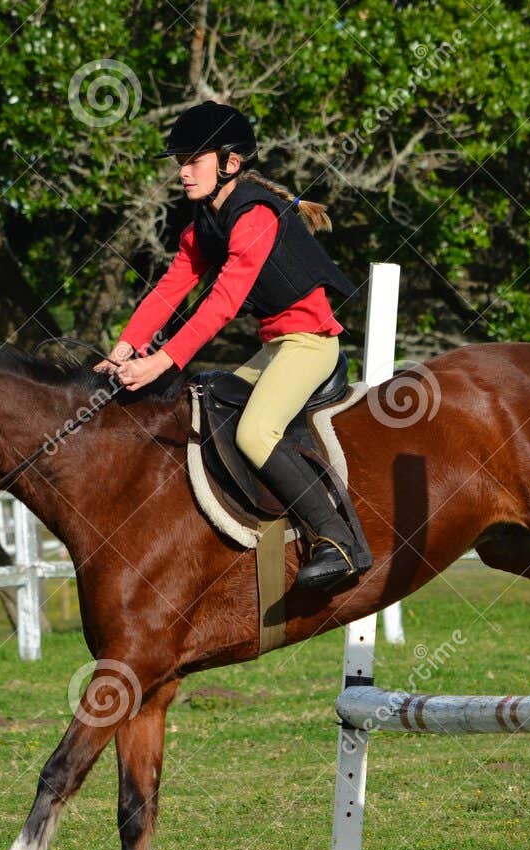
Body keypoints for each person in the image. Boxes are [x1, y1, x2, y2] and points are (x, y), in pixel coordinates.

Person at [96, 101, 367, 590]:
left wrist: (161, 360)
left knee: (255, 433)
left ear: (231, 163)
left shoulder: (255, 216)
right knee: (206, 409)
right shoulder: (204, 222)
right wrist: (124, 348)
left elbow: (222, 302)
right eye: (180, 160)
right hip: (275, 349)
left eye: (193, 160)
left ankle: (339, 542)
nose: (182, 171)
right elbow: (170, 289)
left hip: (310, 345)